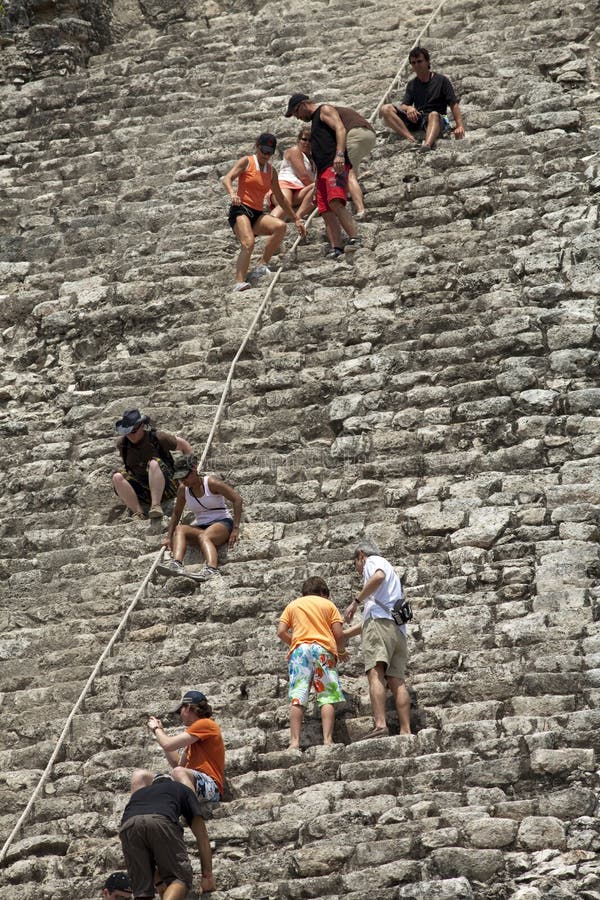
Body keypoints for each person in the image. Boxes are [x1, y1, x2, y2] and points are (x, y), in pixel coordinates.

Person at [147, 688, 224, 894]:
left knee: (179, 774)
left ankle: (190, 812)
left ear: (189, 707)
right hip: (194, 781)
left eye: (180, 710)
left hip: (210, 786)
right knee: (165, 777)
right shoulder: (193, 740)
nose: (179, 715)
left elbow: (171, 745)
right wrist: (160, 736)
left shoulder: (205, 725)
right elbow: (175, 762)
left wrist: (157, 730)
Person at [285, 93, 374, 252]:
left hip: (333, 165)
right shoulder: (314, 122)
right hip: (323, 171)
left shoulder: (324, 110)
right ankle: (337, 247)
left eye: (296, 113)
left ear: (303, 105)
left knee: (335, 202)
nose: (297, 118)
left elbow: (340, 128)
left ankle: (355, 237)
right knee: (326, 211)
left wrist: (340, 154)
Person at [222, 132, 306, 291]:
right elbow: (227, 178)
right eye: (263, 150)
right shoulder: (247, 161)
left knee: (280, 227)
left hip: (257, 213)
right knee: (248, 242)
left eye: (270, 152)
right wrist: (232, 194)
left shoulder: (271, 171)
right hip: (241, 209)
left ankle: (261, 264)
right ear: (257, 147)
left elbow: (281, 198)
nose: (266, 155)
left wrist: (296, 218)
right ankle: (239, 282)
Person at [344, 540, 411, 739]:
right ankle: (405, 730)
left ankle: (380, 724)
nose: (357, 569)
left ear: (361, 555)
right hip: (397, 631)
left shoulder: (373, 561)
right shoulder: (393, 577)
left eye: (355, 563)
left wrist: (355, 602)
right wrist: (346, 634)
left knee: (376, 672)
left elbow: (378, 577)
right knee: (397, 680)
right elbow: (373, 618)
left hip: (381, 625)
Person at [119, 768, 213, 898]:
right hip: (161, 820)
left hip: (128, 826)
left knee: (142, 891)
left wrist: (158, 882)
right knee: (179, 879)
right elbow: (202, 835)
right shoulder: (181, 788)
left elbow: (145, 858)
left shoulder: (139, 794)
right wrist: (207, 876)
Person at [277, 576, 347, 749]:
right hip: (323, 649)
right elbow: (338, 634)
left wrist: (295, 641)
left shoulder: (293, 605)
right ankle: (328, 740)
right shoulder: (328, 605)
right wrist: (341, 651)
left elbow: (281, 631)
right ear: (323, 592)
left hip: (300, 650)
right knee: (326, 696)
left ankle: (294, 742)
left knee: (298, 695)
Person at [157, 454, 242, 580]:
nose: (183, 481)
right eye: (180, 478)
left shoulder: (211, 483)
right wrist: (169, 537)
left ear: (194, 470)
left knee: (204, 536)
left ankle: (212, 569)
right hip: (201, 526)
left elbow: (237, 499)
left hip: (222, 523)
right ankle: (176, 563)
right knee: (180, 529)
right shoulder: (183, 489)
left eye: (185, 476)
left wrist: (235, 528)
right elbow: (176, 513)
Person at [112, 409, 193, 521]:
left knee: (154, 463)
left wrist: (189, 472)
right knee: (117, 477)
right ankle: (138, 513)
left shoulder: (157, 438)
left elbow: (185, 445)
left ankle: (156, 506)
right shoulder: (123, 444)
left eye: (133, 431)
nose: (130, 436)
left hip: (168, 486)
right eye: (127, 432)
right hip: (144, 491)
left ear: (142, 426)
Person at [380, 46, 465, 150]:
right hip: (419, 118)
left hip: (438, 118)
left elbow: (453, 104)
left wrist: (459, 126)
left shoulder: (442, 80)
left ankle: (427, 145)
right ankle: (411, 139)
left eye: (419, 61)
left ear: (428, 62)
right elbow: (403, 105)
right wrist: (409, 108)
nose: (416, 65)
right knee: (385, 109)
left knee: (433, 114)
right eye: (413, 63)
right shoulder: (412, 84)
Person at [270, 127, 316, 221]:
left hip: (300, 190)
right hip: (285, 185)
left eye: (310, 140)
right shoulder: (295, 151)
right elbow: (304, 177)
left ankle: (298, 216)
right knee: (285, 203)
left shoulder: (313, 160)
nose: (307, 143)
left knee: (319, 188)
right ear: (298, 140)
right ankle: (269, 225)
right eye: (304, 139)